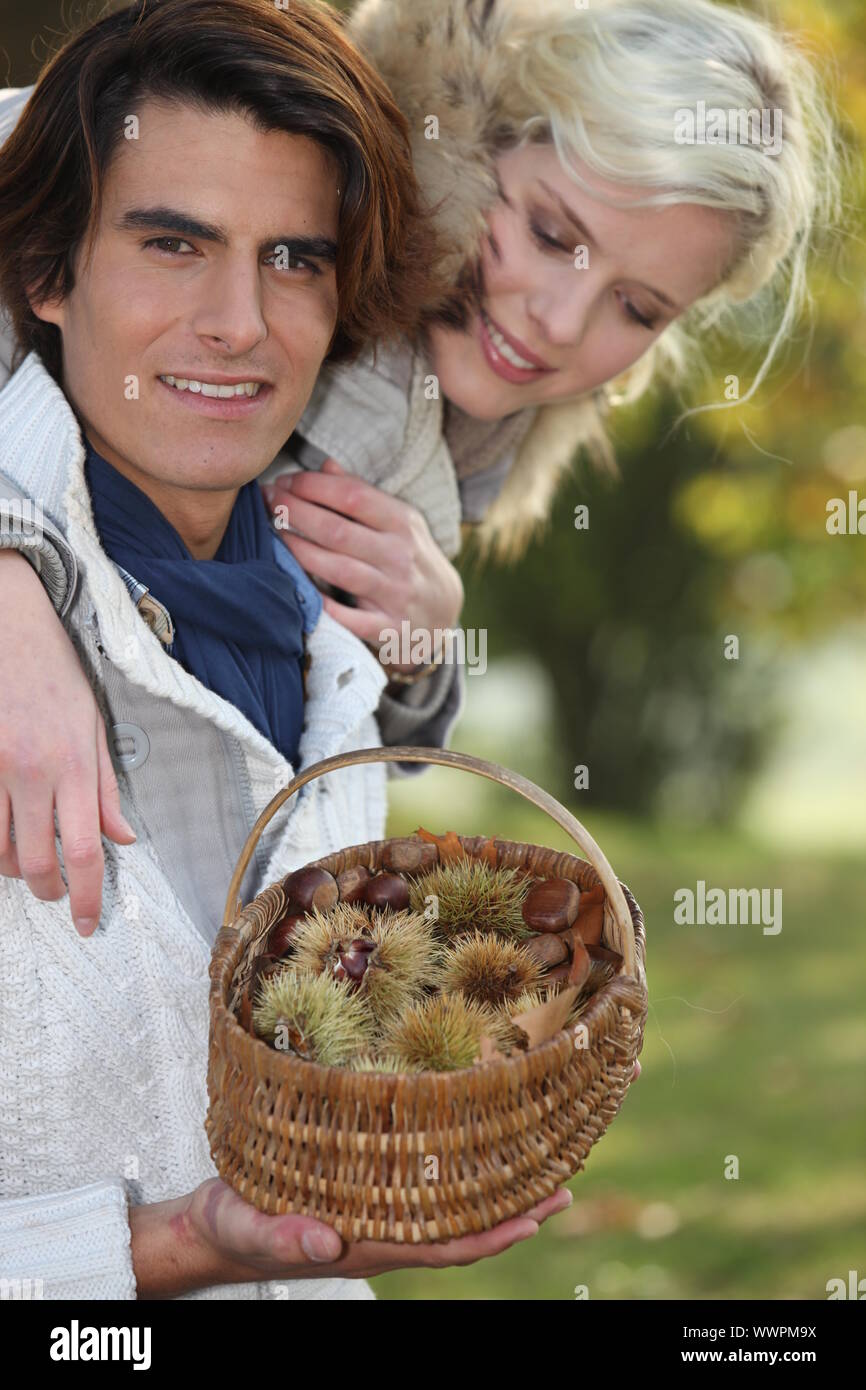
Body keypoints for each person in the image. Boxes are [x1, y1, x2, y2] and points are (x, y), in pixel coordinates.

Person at [0, 0, 841, 930]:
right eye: (553, 235)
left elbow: (314, 712)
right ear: (474, 145)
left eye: (637, 309)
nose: (559, 322)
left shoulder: (467, 436)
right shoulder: (254, 133)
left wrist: (419, 656)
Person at [0, 0, 571, 1302]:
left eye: (294, 258)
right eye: (171, 243)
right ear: (44, 269)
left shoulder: (330, 638)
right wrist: (175, 1248)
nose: (240, 321)